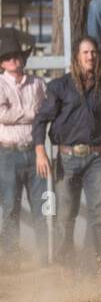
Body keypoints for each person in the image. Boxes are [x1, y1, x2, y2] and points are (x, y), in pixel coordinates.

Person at [31, 37, 101, 271]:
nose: (90, 56)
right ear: (77, 56)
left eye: (93, 52)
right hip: (67, 157)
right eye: (85, 52)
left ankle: (89, 262)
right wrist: (40, 151)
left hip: (96, 157)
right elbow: (41, 120)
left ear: (98, 56)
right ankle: (66, 261)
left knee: (99, 212)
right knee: (65, 214)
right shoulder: (59, 87)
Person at [0, 29, 46, 259]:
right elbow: (2, 114)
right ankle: (11, 258)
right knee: (9, 207)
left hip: (34, 151)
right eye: (7, 57)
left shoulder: (38, 83)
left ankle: (46, 255)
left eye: (16, 55)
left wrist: (23, 114)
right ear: (2, 63)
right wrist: (32, 114)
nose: (13, 60)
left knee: (43, 206)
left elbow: (45, 111)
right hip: (8, 152)